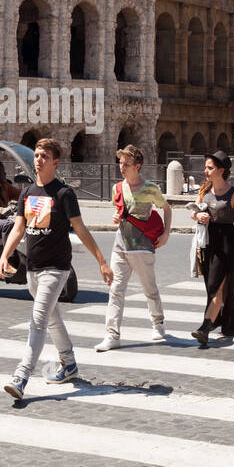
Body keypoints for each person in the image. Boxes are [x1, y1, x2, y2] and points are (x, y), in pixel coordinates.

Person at [0, 138, 113, 400]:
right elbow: (18, 228)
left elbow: (81, 229)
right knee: (52, 319)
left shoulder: (64, 194)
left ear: (55, 163)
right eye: (36, 155)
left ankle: (21, 376)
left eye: (44, 157)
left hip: (56, 267)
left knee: (37, 321)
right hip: (33, 267)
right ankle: (69, 364)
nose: (38, 160)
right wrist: (5, 255)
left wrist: (102, 261)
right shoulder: (27, 193)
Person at [96, 145, 172, 350]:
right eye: (120, 163)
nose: (122, 167)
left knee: (149, 288)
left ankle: (158, 323)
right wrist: (115, 216)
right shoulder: (117, 188)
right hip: (120, 245)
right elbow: (120, 213)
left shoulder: (150, 188)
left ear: (137, 166)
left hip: (142, 246)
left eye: (127, 164)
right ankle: (112, 335)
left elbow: (166, 208)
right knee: (115, 291)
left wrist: (166, 233)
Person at [191, 150, 234, 348]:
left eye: (210, 168)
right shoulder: (204, 191)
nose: (206, 171)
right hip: (208, 241)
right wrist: (197, 217)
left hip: (227, 242)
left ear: (221, 170)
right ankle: (233, 321)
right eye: (206, 167)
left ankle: (205, 327)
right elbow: (194, 211)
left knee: (216, 285)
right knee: (214, 285)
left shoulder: (233, 194)